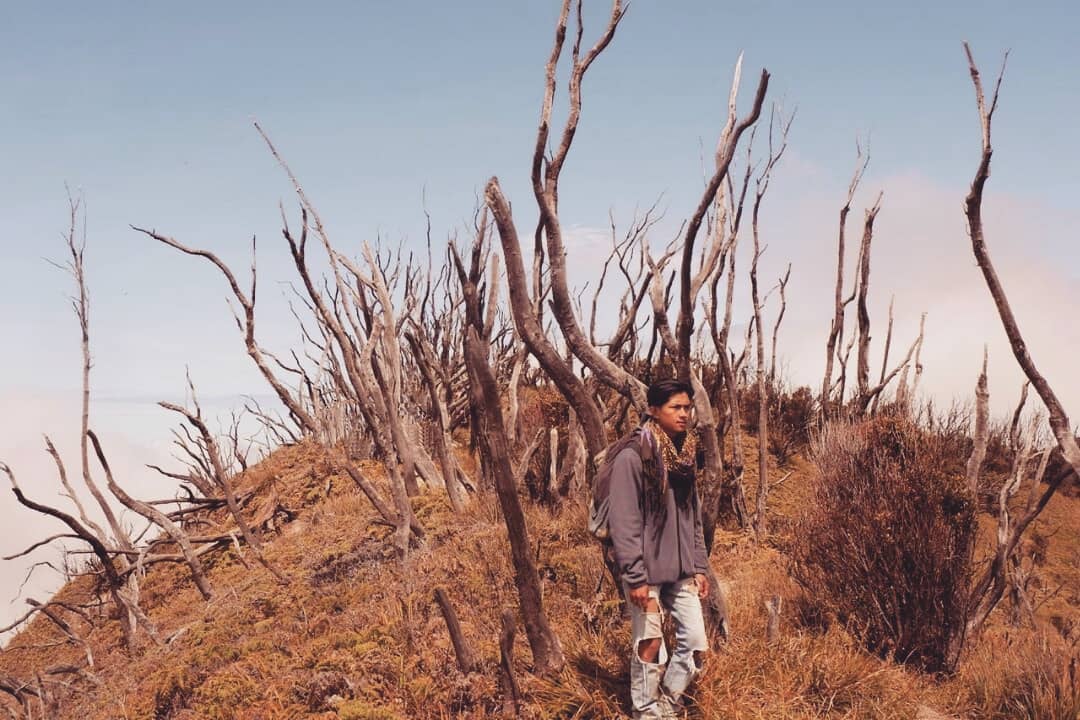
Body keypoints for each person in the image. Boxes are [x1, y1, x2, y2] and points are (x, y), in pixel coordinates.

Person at [608, 378, 710, 719]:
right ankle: (645, 712)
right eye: (675, 408)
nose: (683, 414)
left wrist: (699, 565)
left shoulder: (686, 453)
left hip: (681, 571)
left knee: (696, 643)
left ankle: (667, 706)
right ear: (653, 410)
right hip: (646, 572)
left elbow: (693, 515)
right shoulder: (634, 454)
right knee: (650, 645)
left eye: (687, 407)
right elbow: (623, 521)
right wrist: (635, 578)